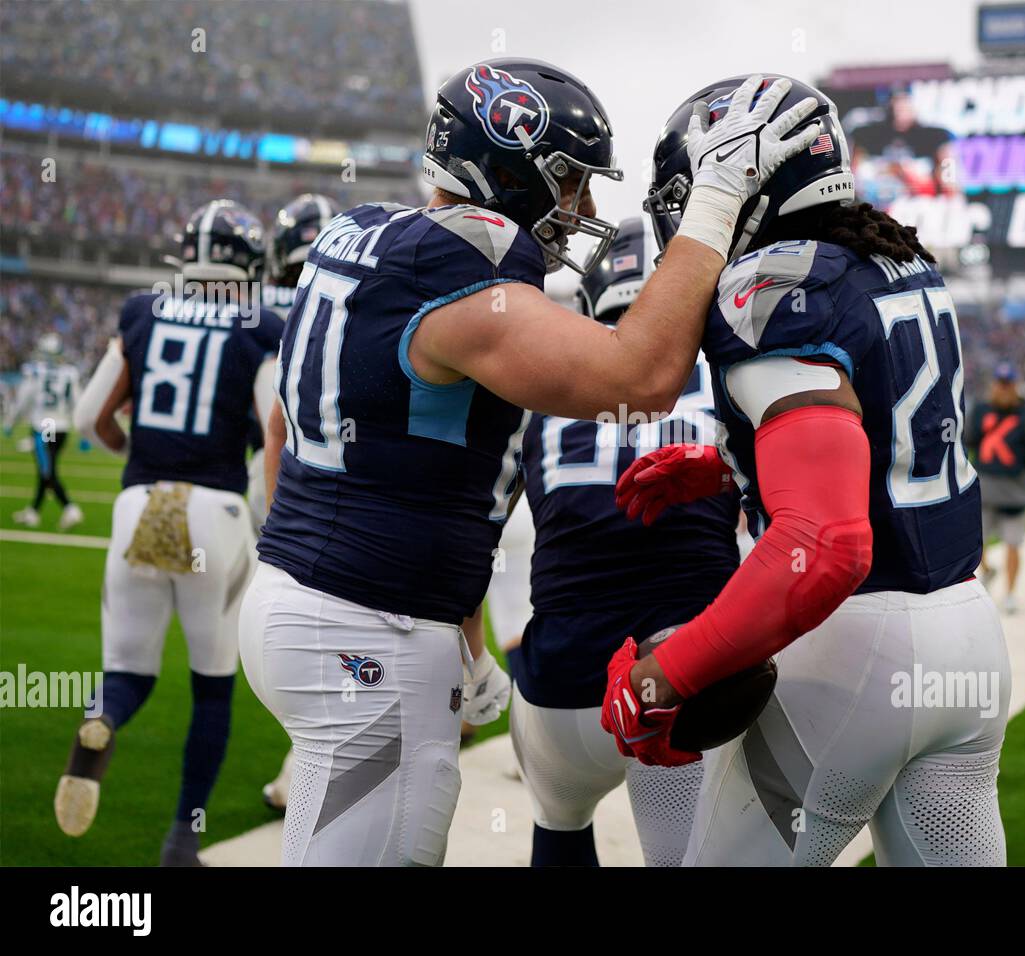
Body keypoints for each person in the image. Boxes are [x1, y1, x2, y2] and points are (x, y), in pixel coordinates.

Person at [238, 61, 818, 866]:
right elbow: (641, 377)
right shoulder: (464, 269)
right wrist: (716, 202)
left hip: (296, 599)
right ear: (508, 168)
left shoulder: (360, 230)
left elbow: (301, 429)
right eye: (569, 183)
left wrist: (468, 643)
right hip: (367, 627)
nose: (580, 210)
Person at [608, 74, 1010, 867]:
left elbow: (825, 543)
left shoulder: (772, 285)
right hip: (965, 636)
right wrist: (734, 461)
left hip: (851, 649)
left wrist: (667, 677)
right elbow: (877, 431)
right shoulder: (894, 259)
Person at [58, 200, 283, 865]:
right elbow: (275, 427)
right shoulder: (259, 324)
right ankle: (183, 835)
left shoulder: (141, 311)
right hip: (215, 511)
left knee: (127, 673)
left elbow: (88, 415)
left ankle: (101, 722)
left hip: (141, 504)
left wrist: (145, 455)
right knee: (211, 683)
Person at [510, 218, 739, 866]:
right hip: (679, 675)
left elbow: (478, 523)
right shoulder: (724, 375)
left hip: (562, 680)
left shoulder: (540, 381)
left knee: (557, 825)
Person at [255, 193, 339, 812]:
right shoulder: (345, 297)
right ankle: (303, 765)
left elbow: (270, 425)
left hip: (275, 490)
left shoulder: (259, 312)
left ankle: (302, 766)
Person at [964, 361, 1025, 614]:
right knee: (975, 544)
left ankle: (1011, 592)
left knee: (1013, 545)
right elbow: (966, 441)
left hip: (1015, 493)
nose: (1003, 389)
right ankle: (988, 570)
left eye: (1008, 385)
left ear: (1015, 386)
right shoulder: (981, 410)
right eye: (1000, 384)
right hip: (983, 490)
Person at [5, 332, 84, 530]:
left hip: (44, 426)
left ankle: (70, 508)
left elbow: (24, 400)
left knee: (47, 471)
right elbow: (78, 402)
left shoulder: (36, 372)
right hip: (62, 427)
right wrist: (84, 432)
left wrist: (10, 423)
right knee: (45, 470)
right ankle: (33, 512)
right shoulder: (69, 373)